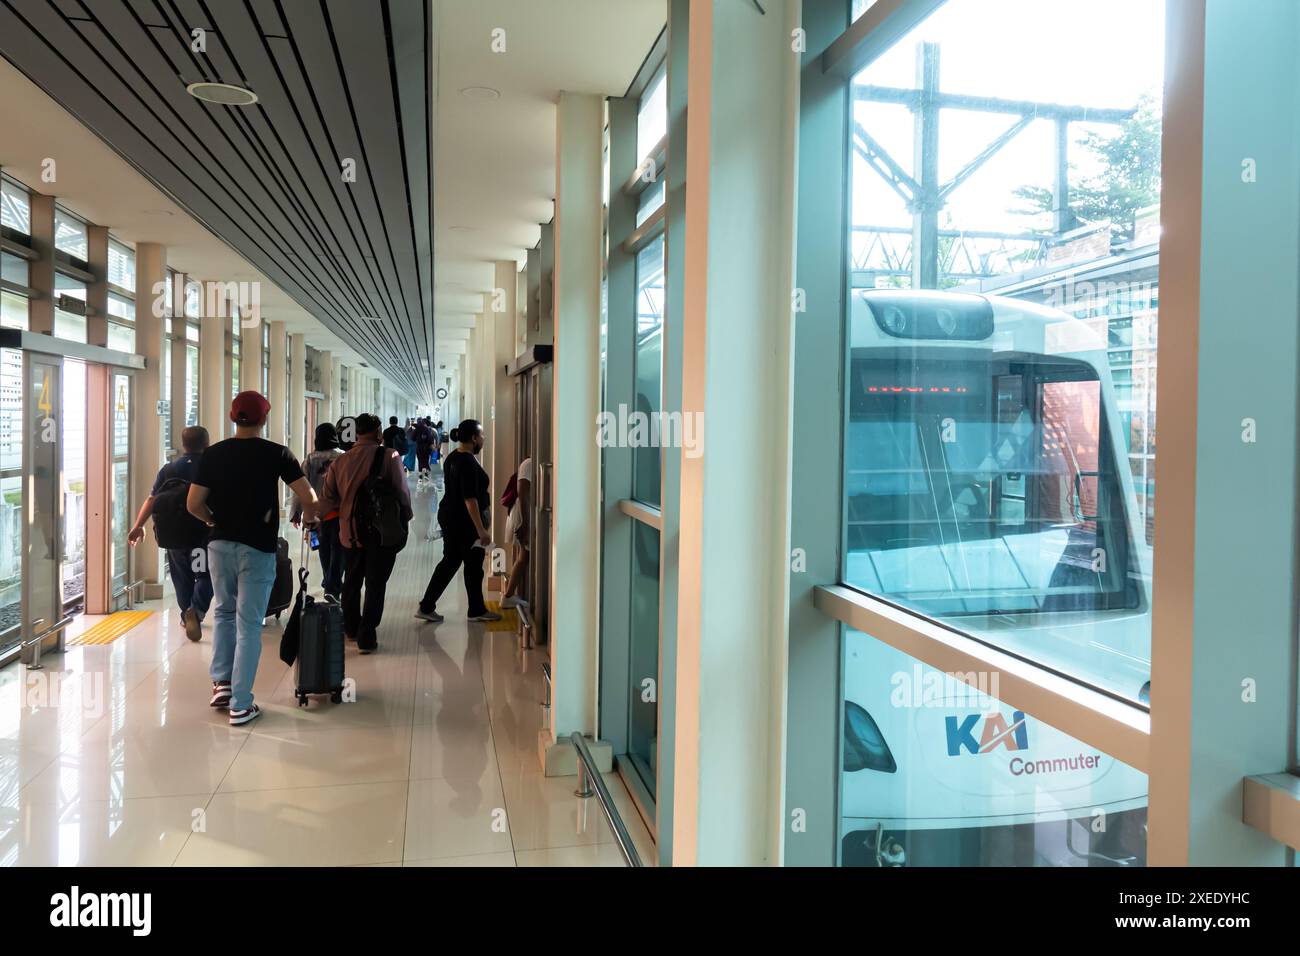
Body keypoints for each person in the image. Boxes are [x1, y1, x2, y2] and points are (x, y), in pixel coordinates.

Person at [187, 391, 318, 725]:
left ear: (233, 417)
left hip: (219, 546)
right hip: (258, 548)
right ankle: (242, 704)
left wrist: (211, 520)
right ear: (263, 418)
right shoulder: (277, 454)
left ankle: (222, 686)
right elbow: (308, 496)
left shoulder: (212, 455)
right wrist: (311, 518)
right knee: (249, 623)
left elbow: (193, 504)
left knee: (224, 613)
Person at [318, 413, 413, 653]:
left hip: (349, 531)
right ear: (378, 431)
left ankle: (350, 627)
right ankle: (367, 634)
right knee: (375, 582)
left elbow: (327, 499)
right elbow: (402, 492)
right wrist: (406, 516)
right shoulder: (389, 455)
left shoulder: (340, 461)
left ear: (357, 432)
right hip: (381, 532)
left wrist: (322, 518)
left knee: (351, 580)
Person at [127, 425, 212, 641]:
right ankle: (196, 611)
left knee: (181, 577)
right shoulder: (208, 466)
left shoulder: (168, 469)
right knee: (204, 576)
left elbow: (152, 499)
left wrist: (138, 525)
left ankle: (186, 615)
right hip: (200, 533)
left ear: (183, 445)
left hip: (172, 534)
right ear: (207, 444)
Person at [415, 419, 502, 624]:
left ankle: (427, 605)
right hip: (465, 523)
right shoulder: (468, 463)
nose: (484, 438)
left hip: (451, 517)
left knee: (451, 562)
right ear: (473, 438)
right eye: (481, 435)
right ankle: (476, 610)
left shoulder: (453, 457)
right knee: (472, 566)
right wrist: (481, 530)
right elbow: (469, 499)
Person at [292, 422, 344, 602]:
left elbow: (300, 486)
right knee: (338, 549)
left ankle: (329, 582)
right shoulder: (343, 457)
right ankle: (332, 585)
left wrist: (296, 513)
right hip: (339, 513)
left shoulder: (310, 459)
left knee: (322, 549)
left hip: (314, 514)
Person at [500, 456, 533, 610]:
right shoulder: (529, 464)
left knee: (523, 556)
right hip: (522, 515)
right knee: (524, 555)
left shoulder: (531, 464)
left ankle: (509, 595)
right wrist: (525, 523)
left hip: (525, 515)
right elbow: (523, 492)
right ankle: (508, 595)